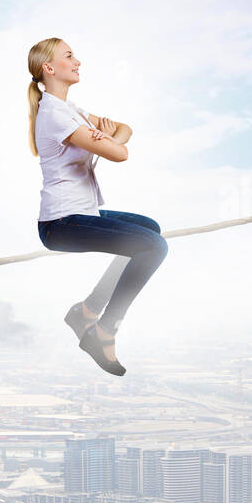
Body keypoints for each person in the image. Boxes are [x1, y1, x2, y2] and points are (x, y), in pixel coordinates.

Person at [27, 37, 168, 375]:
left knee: (149, 229)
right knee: (154, 247)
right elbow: (121, 154)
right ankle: (104, 331)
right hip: (61, 224)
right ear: (49, 68)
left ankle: (86, 312)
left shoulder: (72, 110)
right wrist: (108, 141)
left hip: (81, 215)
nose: (78, 61)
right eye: (69, 56)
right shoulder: (55, 115)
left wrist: (109, 138)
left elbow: (124, 131)